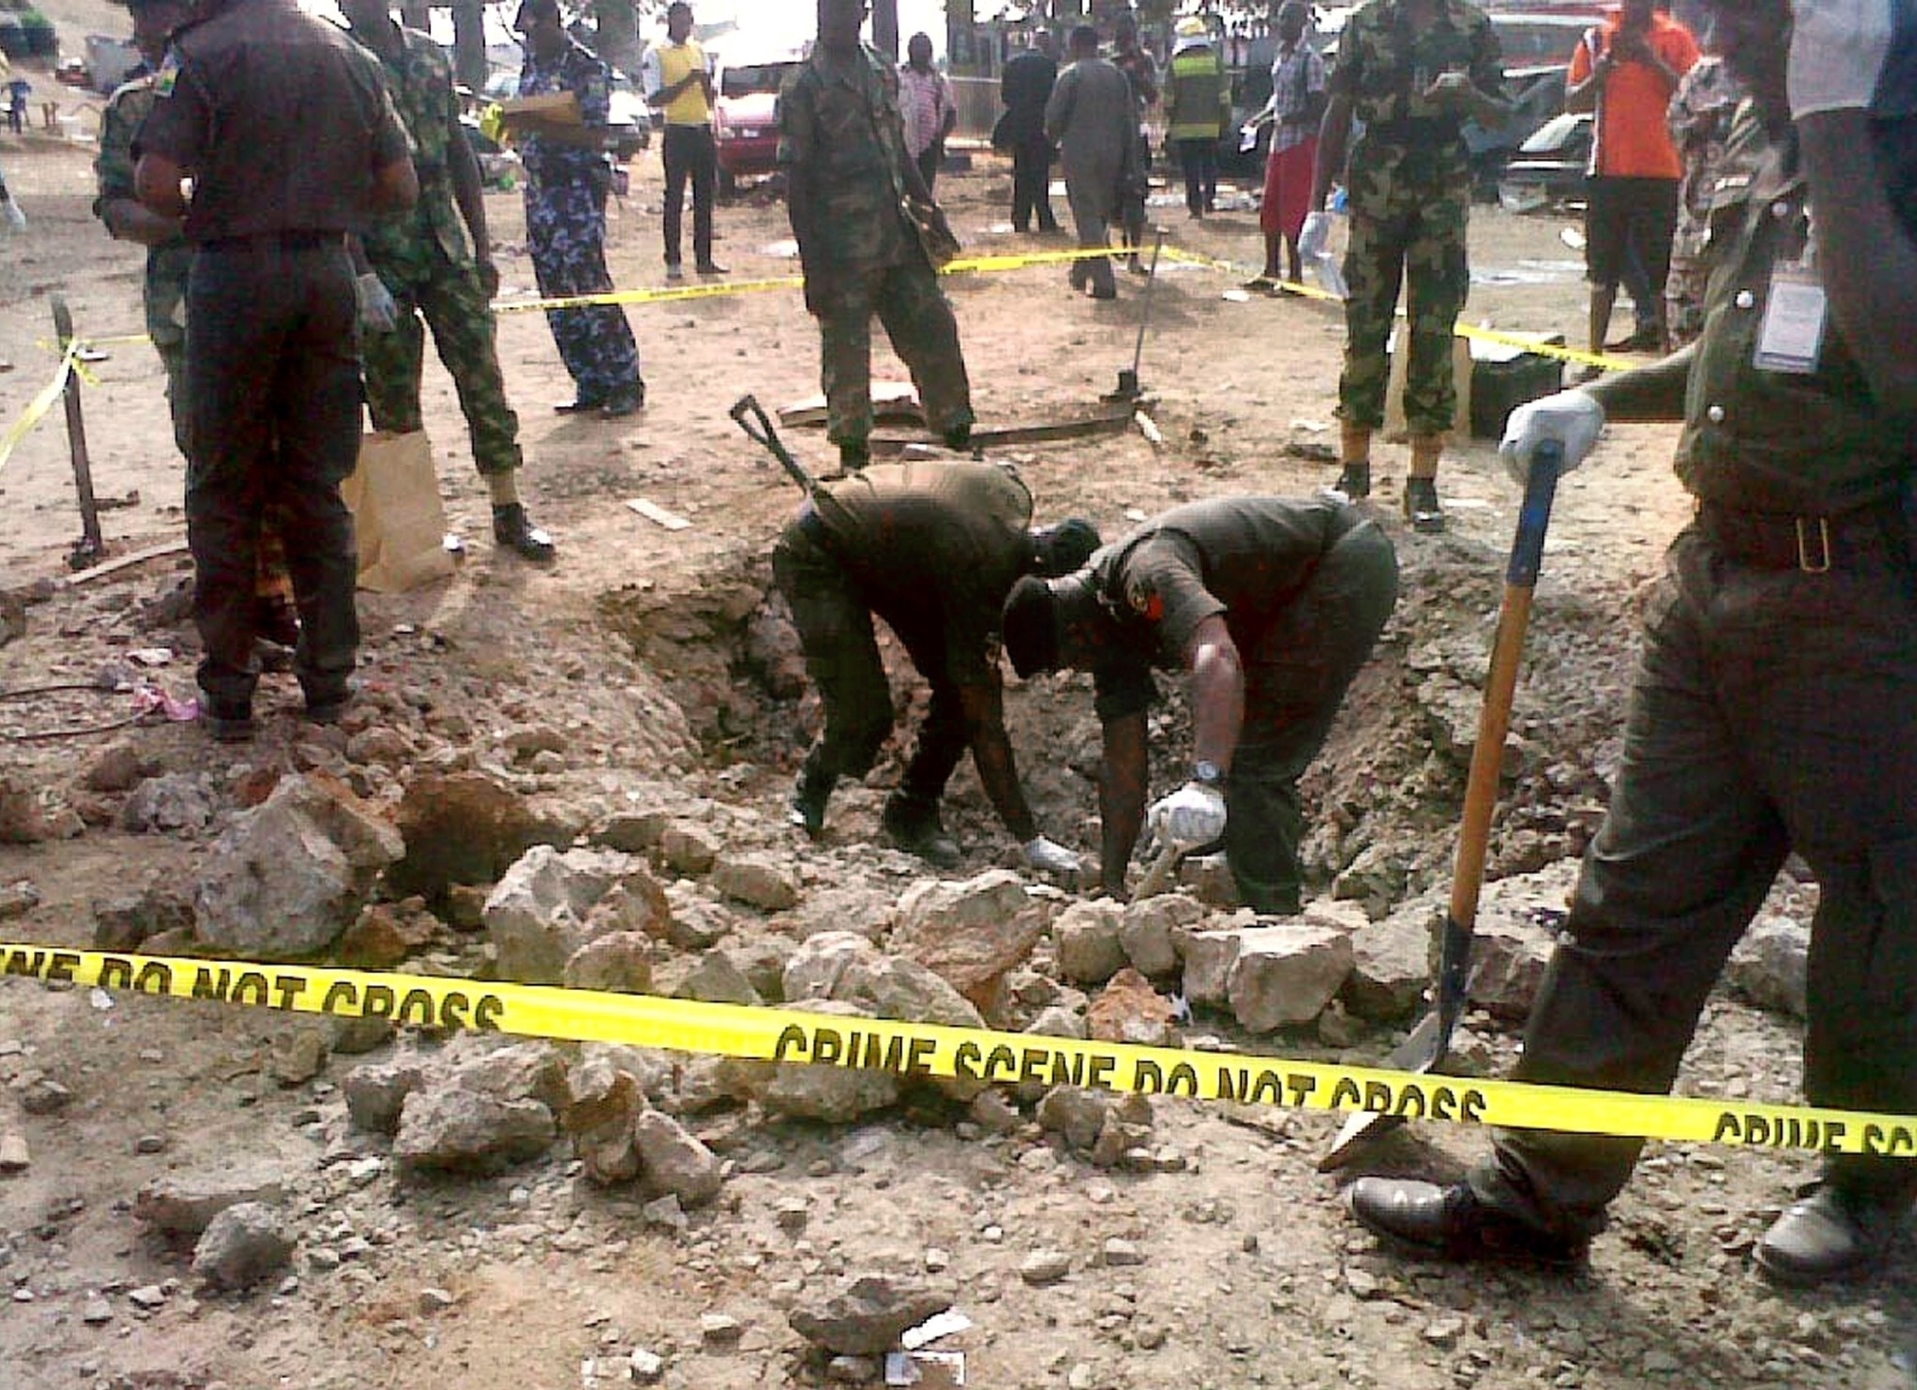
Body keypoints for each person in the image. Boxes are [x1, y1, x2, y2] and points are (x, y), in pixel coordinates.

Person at [1345, 0, 1917, 1289]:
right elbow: (1741, 346)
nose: (1716, 38)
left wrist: (1834, 125)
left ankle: (1869, 1184)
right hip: (1720, 575)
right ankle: (1540, 1191)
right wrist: (1603, 395)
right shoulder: (1777, 141)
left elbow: (1901, 355)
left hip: (1868, 602)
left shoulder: (1876, 147)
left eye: (1751, 18)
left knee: (1884, 911)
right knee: (1631, 902)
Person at [133, 0, 418, 741]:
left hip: (235, 276)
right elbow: (400, 186)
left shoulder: (199, 53)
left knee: (225, 483)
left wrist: (221, 201)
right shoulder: (350, 55)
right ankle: (328, 678)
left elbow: (156, 186)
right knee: (317, 485)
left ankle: (229, 693)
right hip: (326, 274)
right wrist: (319, 204)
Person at [1001, 496, 1398, 914]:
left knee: (1250, 765)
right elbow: (1124, 761)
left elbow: (1217, 657)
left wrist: (1205, 782)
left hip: (1342, 562)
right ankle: (1231, 891)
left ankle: (1275, 927)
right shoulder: (1106, 632)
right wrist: (1113, 882)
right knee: (1230, 744)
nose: (1078, 670)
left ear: (1075, 632)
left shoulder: (1144, 574)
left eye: (1069, 661)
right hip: (1284, 599)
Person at [97, 0, 303, 652]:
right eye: (148, 13)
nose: (160, 23)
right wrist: (192, 221)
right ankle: (230, 608)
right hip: (189, 304)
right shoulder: (135, 105)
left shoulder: (246, 78)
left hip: (269, 288)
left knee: (281, 442)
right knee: (212, 452)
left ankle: (276, 593)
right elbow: (117, 206)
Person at [775, 458, 1099, 871]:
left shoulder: (1012, 494)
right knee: (864, 710)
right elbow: (985, 720)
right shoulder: (980, 568)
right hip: (817, 551)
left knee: (954, 695)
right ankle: (811, 792)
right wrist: (1029, 839)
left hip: (893, 552)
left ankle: (912, 810)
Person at [340, 0, 556, 564]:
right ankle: (418, 532)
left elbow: (459, 150)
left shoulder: (430, 56)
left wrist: (482, 247)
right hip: (380, 245)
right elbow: (327, 178)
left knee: (481, 375)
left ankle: (509, 510)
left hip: (443, 240)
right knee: (392, 395)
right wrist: (360, 274)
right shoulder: (337, 62)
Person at [1301, 0, 1510, 533]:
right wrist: (1316, 206)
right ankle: (1353, 469)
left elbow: (1502, 113)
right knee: (1364, 322)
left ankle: (1423, 482)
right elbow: (1338, 109)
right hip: (1375, 184)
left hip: (1442, 185)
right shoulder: (1366, 22)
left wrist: (1468, 95)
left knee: (1433, 329)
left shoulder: (1472, 27)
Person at [777, 0, 975, 476]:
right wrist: (813, 266)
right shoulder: (803, 85)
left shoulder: (882, 71)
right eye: (826, 10)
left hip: (898, 236)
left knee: (933, 327)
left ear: (862, 13)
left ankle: (954, 429)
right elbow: (796, 181)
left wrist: (929, 208)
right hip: (841, 248)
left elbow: (899, 153)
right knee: (847, 352)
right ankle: (853, 452)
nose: (832, 19)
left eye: (842, 10)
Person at [510, 0, 645, 418]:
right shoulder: (531, 66)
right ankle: (590, 380)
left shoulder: (585, 68)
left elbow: (596, 135)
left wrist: (536, 124)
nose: (530, 40)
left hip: (576, 192)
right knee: (555, 290)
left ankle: (624, 381)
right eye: (526, 34)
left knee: (589, 283)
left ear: (554, 22)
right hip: (539, 191)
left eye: (534, 31)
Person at [1564, 0, 1700, 361]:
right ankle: (1593, 357)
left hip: (1662, 170)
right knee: (1601, 269)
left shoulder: (1675, 37)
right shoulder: (1596, 40)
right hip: (1608, 170)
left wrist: (1652, 61)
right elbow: (1572, 102)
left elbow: (1695, 93)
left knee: (1661, 270)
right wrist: (1602, 72)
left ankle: (1668, 355)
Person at [1045, 25, 1135, 302]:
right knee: (1099, 216)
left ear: (1074, 45)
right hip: (1114, 154)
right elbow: (1129, 120)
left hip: (1080, 154)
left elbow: (1053, 120)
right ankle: (1080, 272)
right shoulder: (1117, 75)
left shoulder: (1070, 75)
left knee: (1086, 216)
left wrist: (1052, 141)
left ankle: (1104, 281)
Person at [1663, 53, 1743, 349]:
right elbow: (1674, 124)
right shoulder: (1704, 74)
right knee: (1686, 312)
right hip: (1698, 213)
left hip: (1747, 215)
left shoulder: (1783, 71)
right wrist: (1701, 124)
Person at [1247, 1, 1327, 292]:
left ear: (1301, 22)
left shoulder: (1310, 60)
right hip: (1279, 144)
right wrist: (1263, 117)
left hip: (1300, 144)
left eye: (1286, 20)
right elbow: (1278, 96)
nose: (1280, 25)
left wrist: (1286, 119)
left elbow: (1319, 104)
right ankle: (1270, 272)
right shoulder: (1281, 57)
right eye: (1279, 19)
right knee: (1270, 208)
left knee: (1293, 210)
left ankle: (1294, 277)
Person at [642, 2, 725, 279]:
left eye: (688, 21)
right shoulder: (656, 52)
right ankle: (673, 261)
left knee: (705, 197)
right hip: (676, 131)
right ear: (669, 21)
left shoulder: (699, 50)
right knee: (674, 198)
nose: (684, 26)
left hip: (702, 129)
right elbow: (654, 100)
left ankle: (704, 258)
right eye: (679, 21)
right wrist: (687, 82)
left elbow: (712, 98)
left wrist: (705, 85)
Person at [1109, 15, 1159, 275]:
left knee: (1135, 194)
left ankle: (1133, 256)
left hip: (1135, 136)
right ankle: (1105, 249)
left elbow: (1152, 96)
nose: (1125, 40)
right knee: (1107, 194)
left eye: (1129, 35)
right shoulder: (1105, 59)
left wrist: (1135, 73)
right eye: (1121, 36)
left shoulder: (1145, 59)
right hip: (1108, 136)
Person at [1165, 17, 1228, 219]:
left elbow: (1169, 100)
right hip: (1211, 126)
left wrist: (1171, 119)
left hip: (1184, 127)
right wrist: (1224, 120)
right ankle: (1209, 199)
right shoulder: (1214, 60)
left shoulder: (1175, 63)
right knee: (1209, 163)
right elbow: (1224, 96)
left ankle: (1195, 207)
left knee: (1190, 169)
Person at [999, 29, 1061, 234]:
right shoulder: (1048, 65)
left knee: (1021, 172)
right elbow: (1053, 98)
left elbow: (1005, 96)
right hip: (1039, 126)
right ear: (1046, 44)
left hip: (1018, 125)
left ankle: (1020, 218)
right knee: (1039, 174)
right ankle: (1044, 218)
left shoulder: (1012, 64)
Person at [899, 32, 957, 194]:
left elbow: (951, 113)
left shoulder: (939, 81)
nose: (920, 52)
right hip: (904, 147)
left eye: (924, 48)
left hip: (929, 148)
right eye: (916, 48)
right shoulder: (899, 76)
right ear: (909, 51)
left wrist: (940, 137)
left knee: (924, 192)